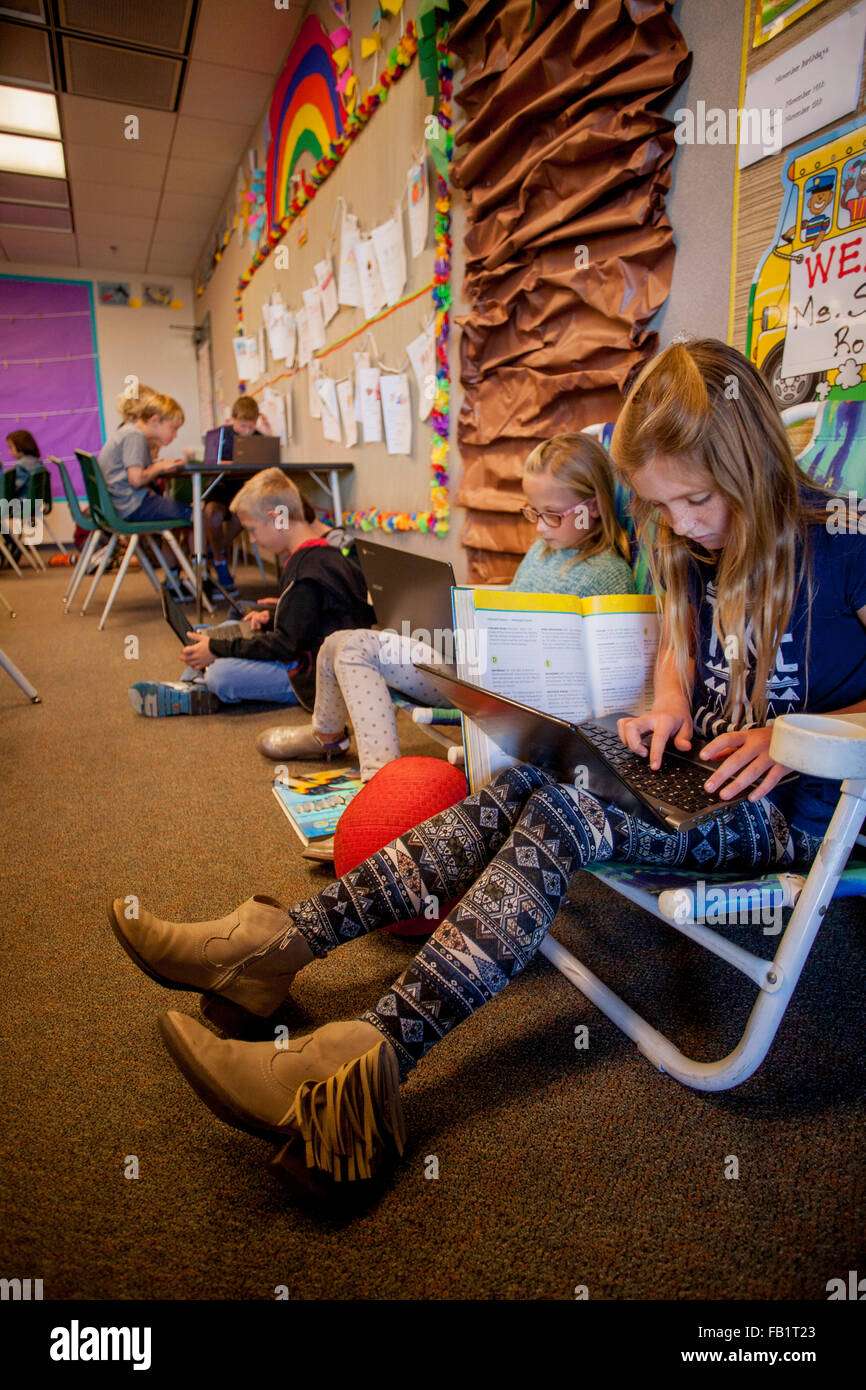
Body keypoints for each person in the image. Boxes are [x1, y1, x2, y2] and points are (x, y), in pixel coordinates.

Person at [110, 339, 866, 1189]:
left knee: (562, 815)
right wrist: (663, 704)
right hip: (695, 778)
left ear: (753, 459)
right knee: (527, 777)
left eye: (697, 499)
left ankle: (361, 1064)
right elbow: (680, 657)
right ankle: (277, 948)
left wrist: (789, 733)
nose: (685, 524)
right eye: (666, 507)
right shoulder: (697, 545)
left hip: (792, 808)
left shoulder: (846, 544)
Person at [255, 432, 637, 789]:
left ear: (596, 507)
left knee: (356, 649)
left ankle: (380, 784)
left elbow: (595, 683)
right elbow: (518, 602)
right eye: (532, 512)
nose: (539, 528)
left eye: (552, 514)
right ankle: (327, 733)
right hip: (471, 658)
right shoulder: (545, 550)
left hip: (496, 688)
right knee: (337, 642)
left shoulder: (606, 577)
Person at [128, 467, 375, 718]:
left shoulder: (307, 572)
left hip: (311, 677)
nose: (254, 540)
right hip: (308, 651)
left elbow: (286, 645)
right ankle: (196, 682)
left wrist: (218, 649)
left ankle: (198, 685)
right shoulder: (322, 555)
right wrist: (276, 614)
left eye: (252, 530)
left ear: (276, 518)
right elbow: (316, 617)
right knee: (217, 632)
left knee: (222, 673)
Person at [204, 396, 272, 596]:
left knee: (241, 515)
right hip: (219, 487)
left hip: (242, 490)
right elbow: (209, 464)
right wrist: (233, 463)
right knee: (212, 515)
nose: (246, 432)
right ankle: (218, 558)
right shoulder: (219, 436)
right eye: (242, 426)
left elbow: (269, 462)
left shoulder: (259, 438)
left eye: (250, 427)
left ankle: (217, 553)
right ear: (232, 418)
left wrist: (267, 435)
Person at [5, 429, 43, 497]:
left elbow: (11, 491)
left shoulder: (21, 466)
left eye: (10, 447)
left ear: (20, 446)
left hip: (24, 505)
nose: (9, 451)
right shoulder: (39, 463)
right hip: (37, 504)